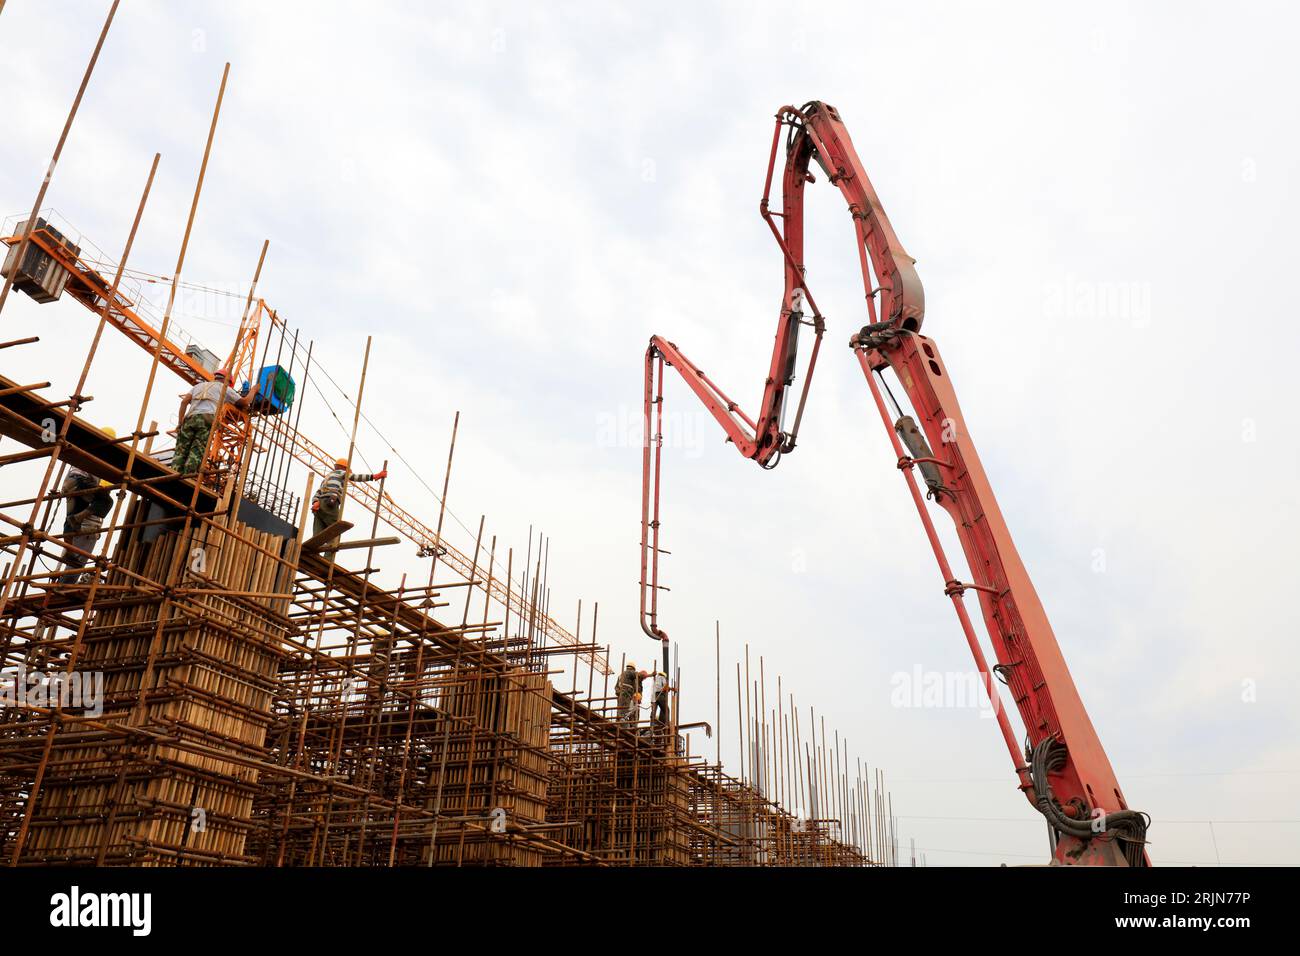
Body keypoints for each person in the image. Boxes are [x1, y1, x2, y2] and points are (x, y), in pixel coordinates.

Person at [172, 369, 256, 475]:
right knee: (197, 450)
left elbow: (184, 402)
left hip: (190, 418)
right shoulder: (225, 388)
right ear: (229, 382)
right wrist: (254, 390)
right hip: (207, 419)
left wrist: (180, 423)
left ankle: (173, 473)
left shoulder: (198, 386)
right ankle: (188, 477)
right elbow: (245, 402)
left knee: (181, 449)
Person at [58, 432, 117, 582]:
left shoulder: (84, 450)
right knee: (106, 501)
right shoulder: (101, 454)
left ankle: (69, 551)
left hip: (68, 485)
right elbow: (104, 488)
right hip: (80, 483)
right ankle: (78, 519)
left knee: (69, 520)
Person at [310, 457, 387, 556]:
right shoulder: (340, 473)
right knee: (335, 532)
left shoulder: (327, 477)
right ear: (344, 468)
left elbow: (318, 492)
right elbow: (355, 477)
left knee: (318, 534)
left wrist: (315, 502)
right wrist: (374, 476)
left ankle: (313, 554)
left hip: (319, 505)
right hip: (330, 503)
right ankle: (328, 559)